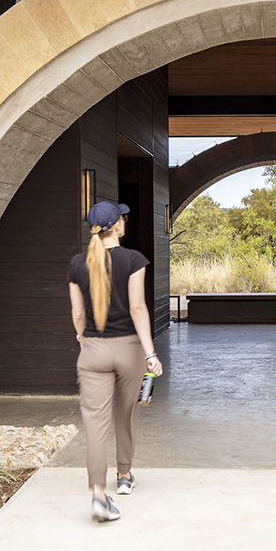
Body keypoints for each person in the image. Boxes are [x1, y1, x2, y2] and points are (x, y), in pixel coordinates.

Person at [67, 199, 164, 522]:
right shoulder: (133, 260)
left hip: (93, 350)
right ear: (117, 225)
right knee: (125, 413)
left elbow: (78, 314)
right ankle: (124, 476)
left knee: (95, 424)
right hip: (128, 350)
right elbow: (137, 308)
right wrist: (150, 353)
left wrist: (83, 337)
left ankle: (98, 494)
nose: (125, 222)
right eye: (123, 218)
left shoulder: (77, 264)